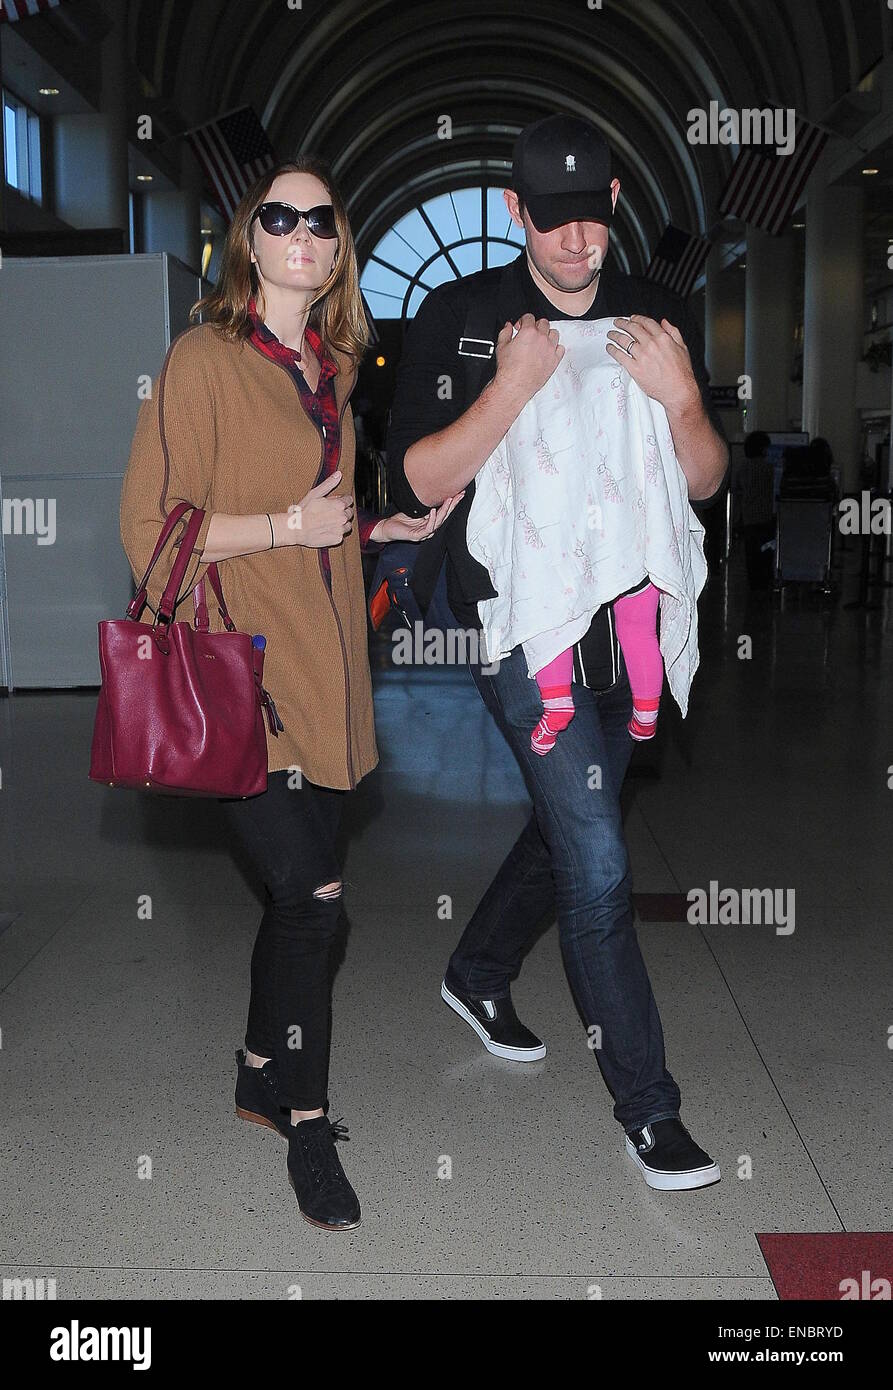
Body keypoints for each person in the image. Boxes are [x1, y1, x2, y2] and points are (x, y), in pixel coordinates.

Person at [387, 114, 729, 1191]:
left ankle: (478, 967)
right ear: (512, 212)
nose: (576, 245)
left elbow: (705, 482)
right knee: (596, 856)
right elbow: (418, 480)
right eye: (551, 224)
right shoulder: (462, 314)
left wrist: (680, 401)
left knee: (567, 819)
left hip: (623, 620)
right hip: (518, 620)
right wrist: (511, 388)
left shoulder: (657, 314)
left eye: (591, 222)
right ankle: (648, 1109)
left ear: (618, 201)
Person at [120, 157, 460, 1231]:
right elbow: (151, 536)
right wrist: (286, 529)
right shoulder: (202, 361)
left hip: (320, 681)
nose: (302, 232)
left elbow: (320, 517)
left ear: (335, 248)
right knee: (316, 903)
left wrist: (371, 528)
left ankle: (259, 1068)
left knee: (293, 898)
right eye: (280, 216)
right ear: (248, 241)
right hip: (239, 683)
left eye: (321, 219)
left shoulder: (331, 370)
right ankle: (306, 1123)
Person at [734, 430, 775, 590]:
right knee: (766, 552)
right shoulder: (768, 468)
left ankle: (754, 585)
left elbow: (738, 491)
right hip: (765, 517)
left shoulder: (743, 468)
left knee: (751, 554)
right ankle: (765, 582)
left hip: (749, 517)